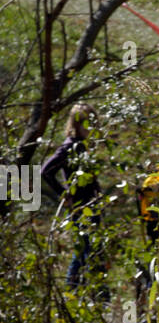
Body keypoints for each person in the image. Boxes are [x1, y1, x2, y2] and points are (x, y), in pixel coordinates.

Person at [42, 102, 103, 288]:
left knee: (93, 251)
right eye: (87, 122)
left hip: (91, 205)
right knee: (84, 250)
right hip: (80, 207)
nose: (91, 126)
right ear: (77, 124)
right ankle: (73, 289)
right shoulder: (69, 147)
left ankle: (94, 294)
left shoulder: (83, 146)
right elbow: (46, 172)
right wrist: (64, 195)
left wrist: (98, 192)